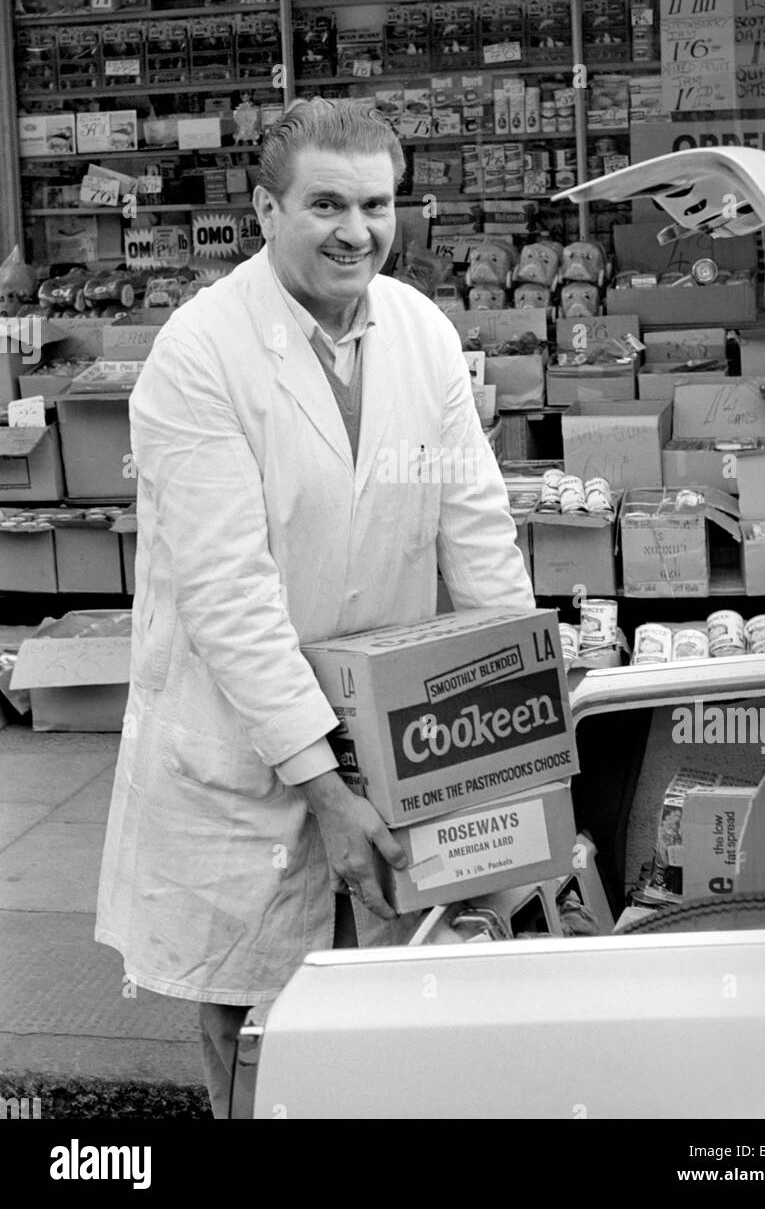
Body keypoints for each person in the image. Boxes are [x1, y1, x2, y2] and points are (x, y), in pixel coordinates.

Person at [95, 97, 535, 1117]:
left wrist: (518, 710)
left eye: (377, 204)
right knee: (250, 998)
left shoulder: (421, 329)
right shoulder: (201, 353)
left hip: (392, 719)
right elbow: (227, 595)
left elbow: (473, 530)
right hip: (239, 736)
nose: (357, 230)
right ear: (263, 209)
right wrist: (322, 785)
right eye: (326, 203)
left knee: (395, 981)